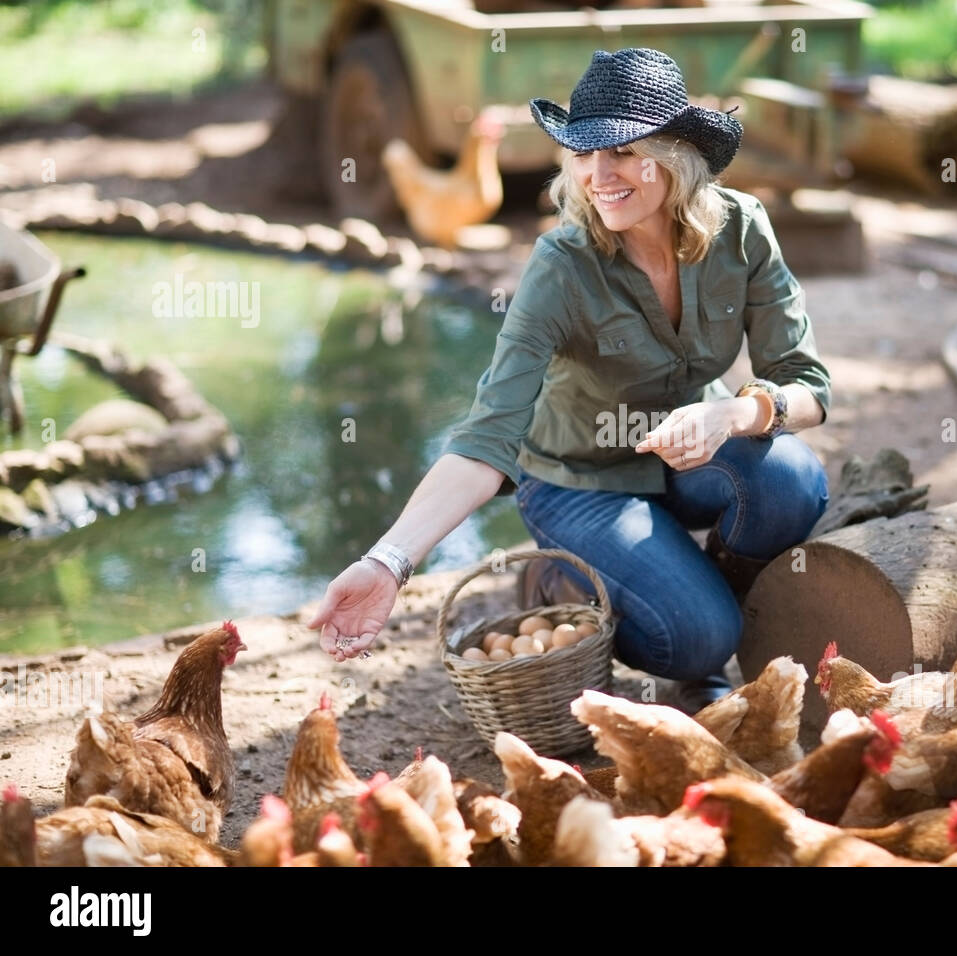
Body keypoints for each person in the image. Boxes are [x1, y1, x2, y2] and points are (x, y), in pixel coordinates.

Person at [308, 48, 831, 712]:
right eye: (583, 154)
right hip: (576, 481)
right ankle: (575, 582)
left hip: (691, 447)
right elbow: (487, 436)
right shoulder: (561, 263)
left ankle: (692, 592)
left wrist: (734, 415)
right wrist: (388, 562)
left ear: (674, 155)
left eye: (621, 152)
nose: (597, 175)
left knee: (791, 480)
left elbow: (808, 383)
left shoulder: (743, 229)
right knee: (700, 643)